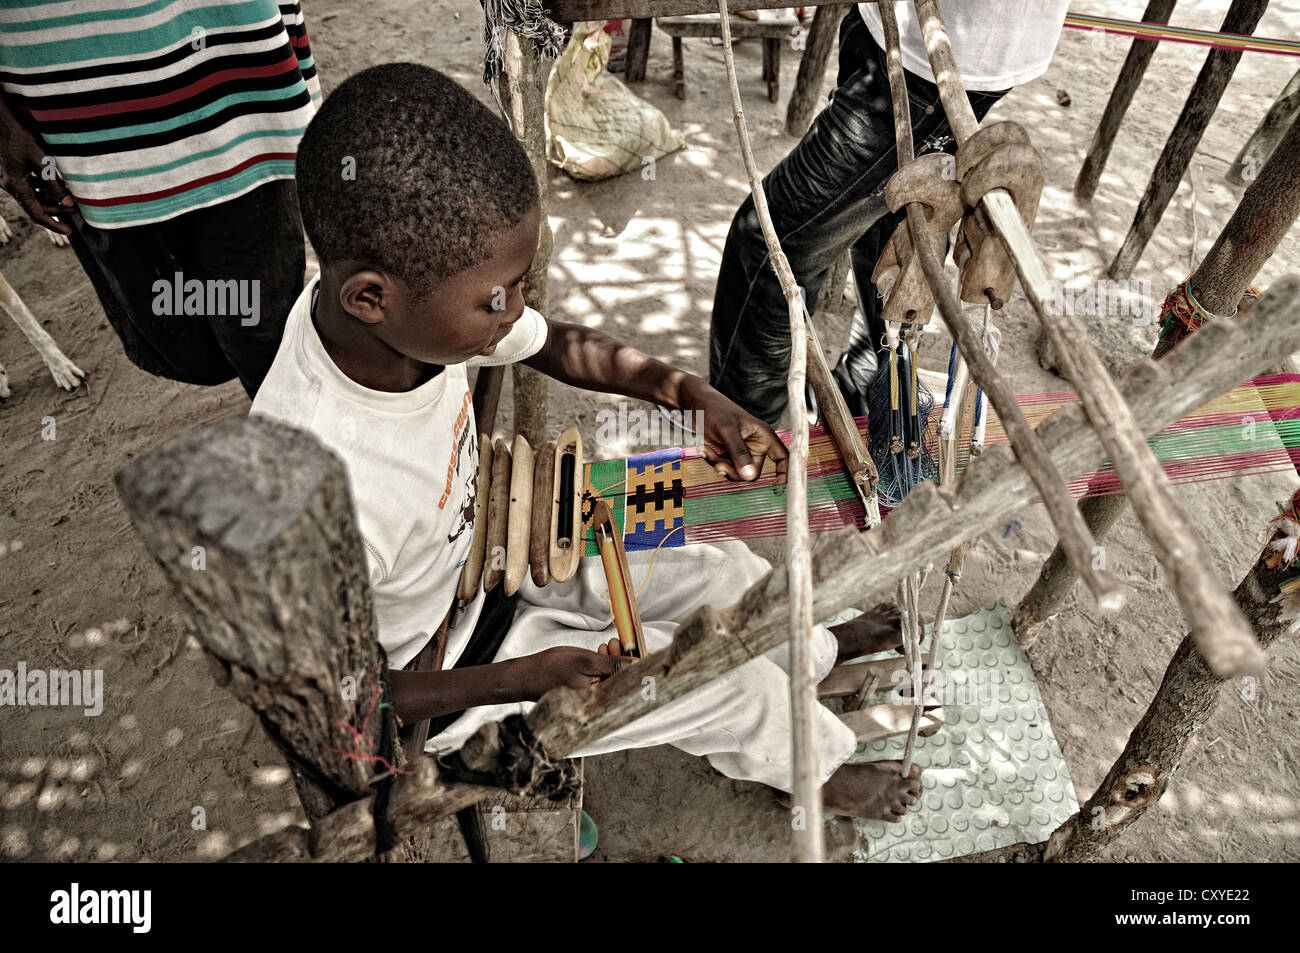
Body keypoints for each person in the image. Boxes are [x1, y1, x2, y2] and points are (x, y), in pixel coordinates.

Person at [251, 62, 920, 821]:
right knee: (721, 680)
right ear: (370, 295)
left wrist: (690, 395)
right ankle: (815, 774)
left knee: (726, 574)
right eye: (495, 299)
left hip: (485, 563)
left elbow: (551, 342)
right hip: (451, 672)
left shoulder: (412, 318)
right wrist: (524, 679)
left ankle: (819, 655)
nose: (515, 312)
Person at [709, 1, 1071, 425]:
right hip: (897, 33)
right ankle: (865, 396)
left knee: (770, 241)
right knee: (884, 226)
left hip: (936, 59)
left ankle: (742, 426)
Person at [0, 0, 320, 397]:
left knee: (261, 328)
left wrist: (290, 43)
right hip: (78, 133)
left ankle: (295, 424)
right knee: (186, 347)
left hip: (234, 86)